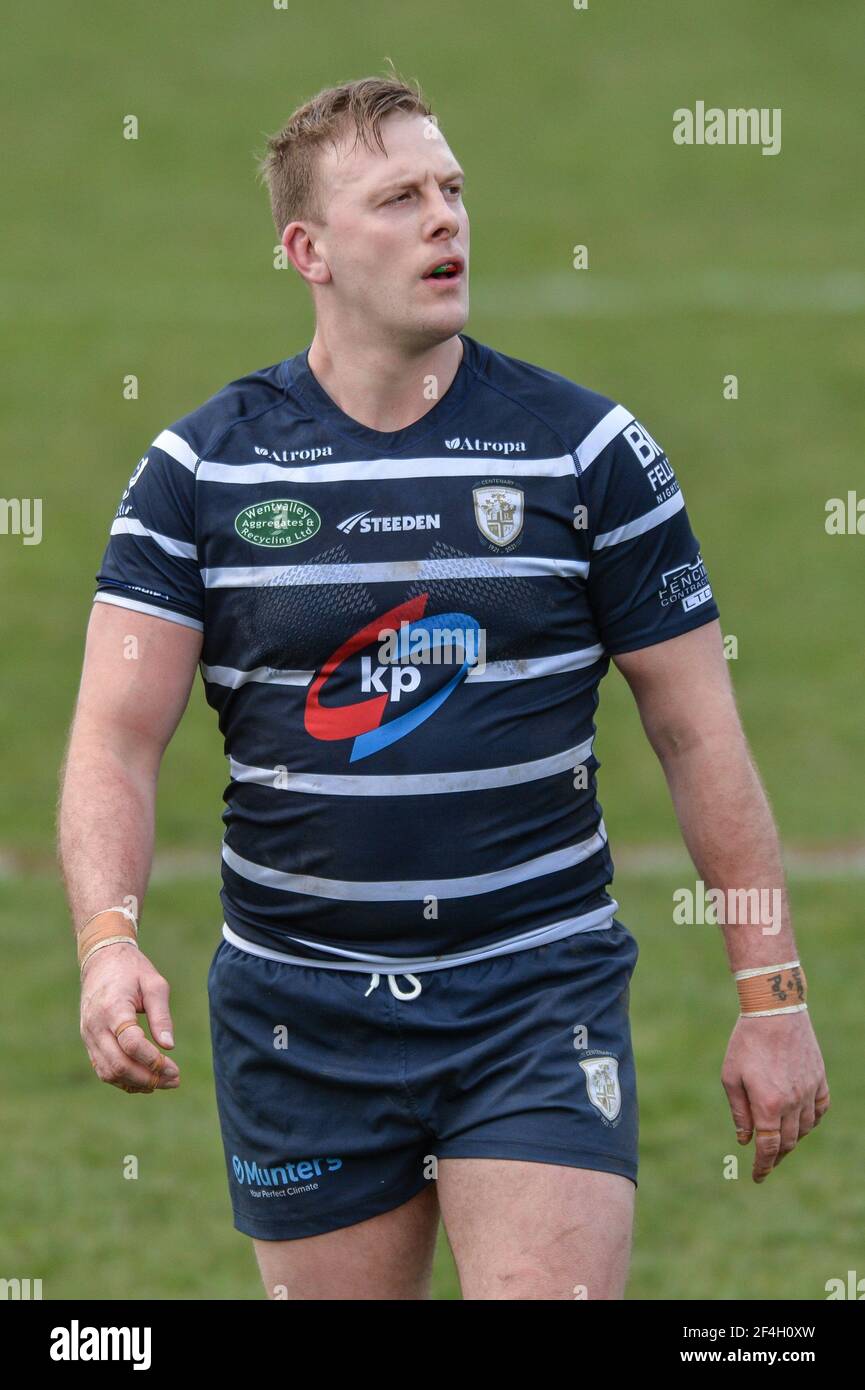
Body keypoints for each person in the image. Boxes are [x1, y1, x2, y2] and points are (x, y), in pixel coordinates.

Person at [58, 74, 829, 1301]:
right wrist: (108, 945)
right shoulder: (198, 473)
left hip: (534, 993)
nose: (446, 220)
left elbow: (696, 731)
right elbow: (113, 739)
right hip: (298, 1008)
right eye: (401, 197)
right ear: (306, 249)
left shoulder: (585, 453)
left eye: (455, 190)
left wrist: (770, 995)